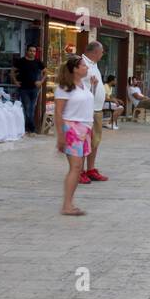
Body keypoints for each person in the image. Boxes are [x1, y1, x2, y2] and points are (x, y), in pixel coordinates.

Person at [53, 54, 92, 216]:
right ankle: (66, 205)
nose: (86, 68)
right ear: (75, 69)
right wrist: (60, 136)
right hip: (72, 129)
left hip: (85, 128)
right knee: (75, 167)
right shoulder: (64, 87)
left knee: (78, 168)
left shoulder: (84, 85)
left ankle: (70, 203)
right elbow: (58, 112)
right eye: (83, 65)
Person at [80, 41, 109, 184]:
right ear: (94, 52)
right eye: (101, 51)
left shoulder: (94, 64)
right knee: (84, 141)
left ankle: (90, 169)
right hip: (86, 109)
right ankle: (79, 171)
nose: (103, 54)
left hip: (97, 109)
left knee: (95, 141)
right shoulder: (80, 63)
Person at [11, 44, 45, 135]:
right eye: (30, 51)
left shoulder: (38, 62)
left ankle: (29, 128)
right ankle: (31, 128)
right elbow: (12, 72)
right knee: (27, 107)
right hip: (24, 89)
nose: (32, 53)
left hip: (34, 89)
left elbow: (45, 72)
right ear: (27, 51)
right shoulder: (21, 61)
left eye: (34, 51)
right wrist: (15, 82)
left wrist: (41, 82)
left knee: (32, 108)